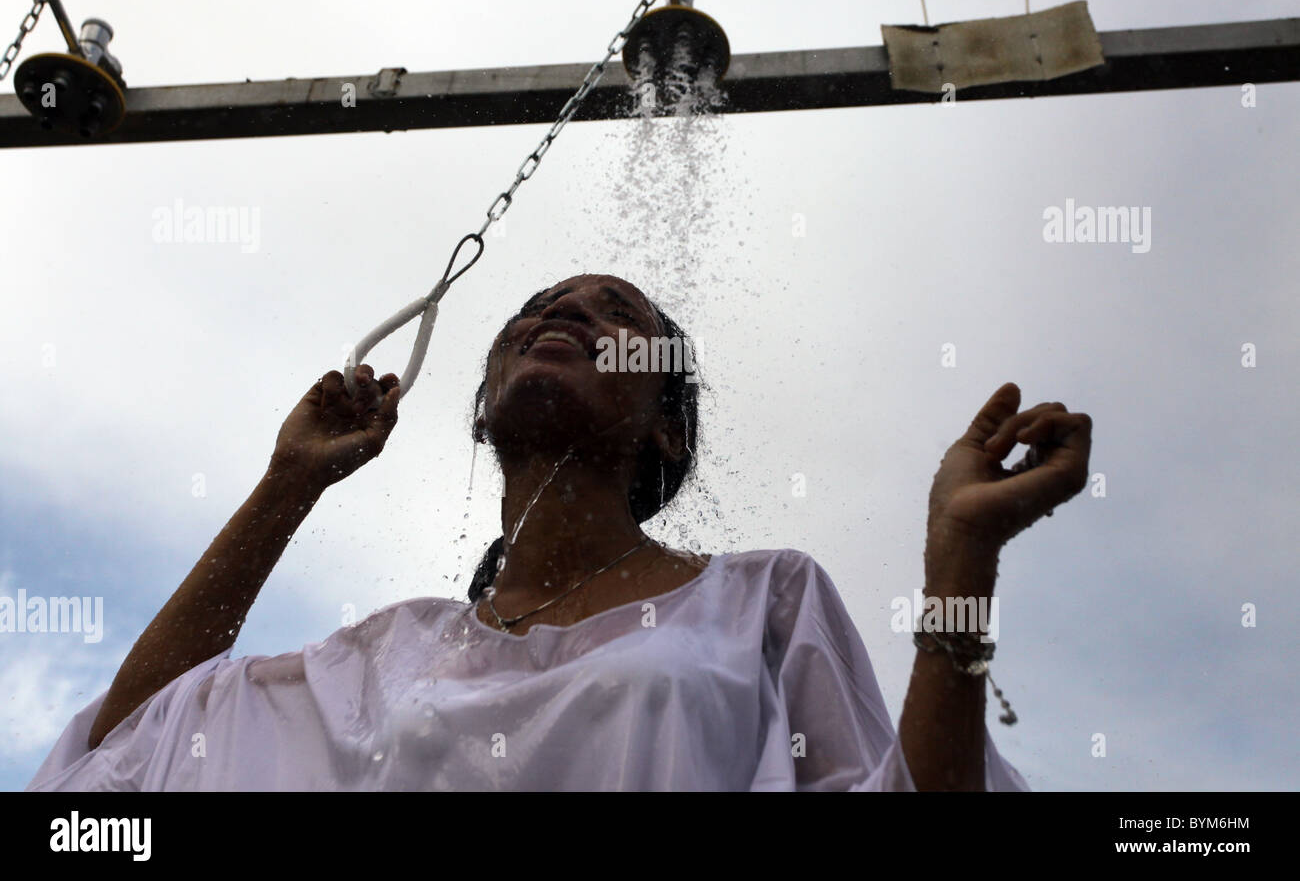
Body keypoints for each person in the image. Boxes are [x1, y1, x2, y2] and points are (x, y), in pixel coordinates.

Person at [26, 274, 1091, 791]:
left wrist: (960, 565)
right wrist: (284, 488)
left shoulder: (763, 601)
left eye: (611, 311)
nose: (560, 314)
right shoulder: (388, 652)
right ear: (481, 405)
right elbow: (130, 748)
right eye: (535, 309)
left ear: (666, 425)